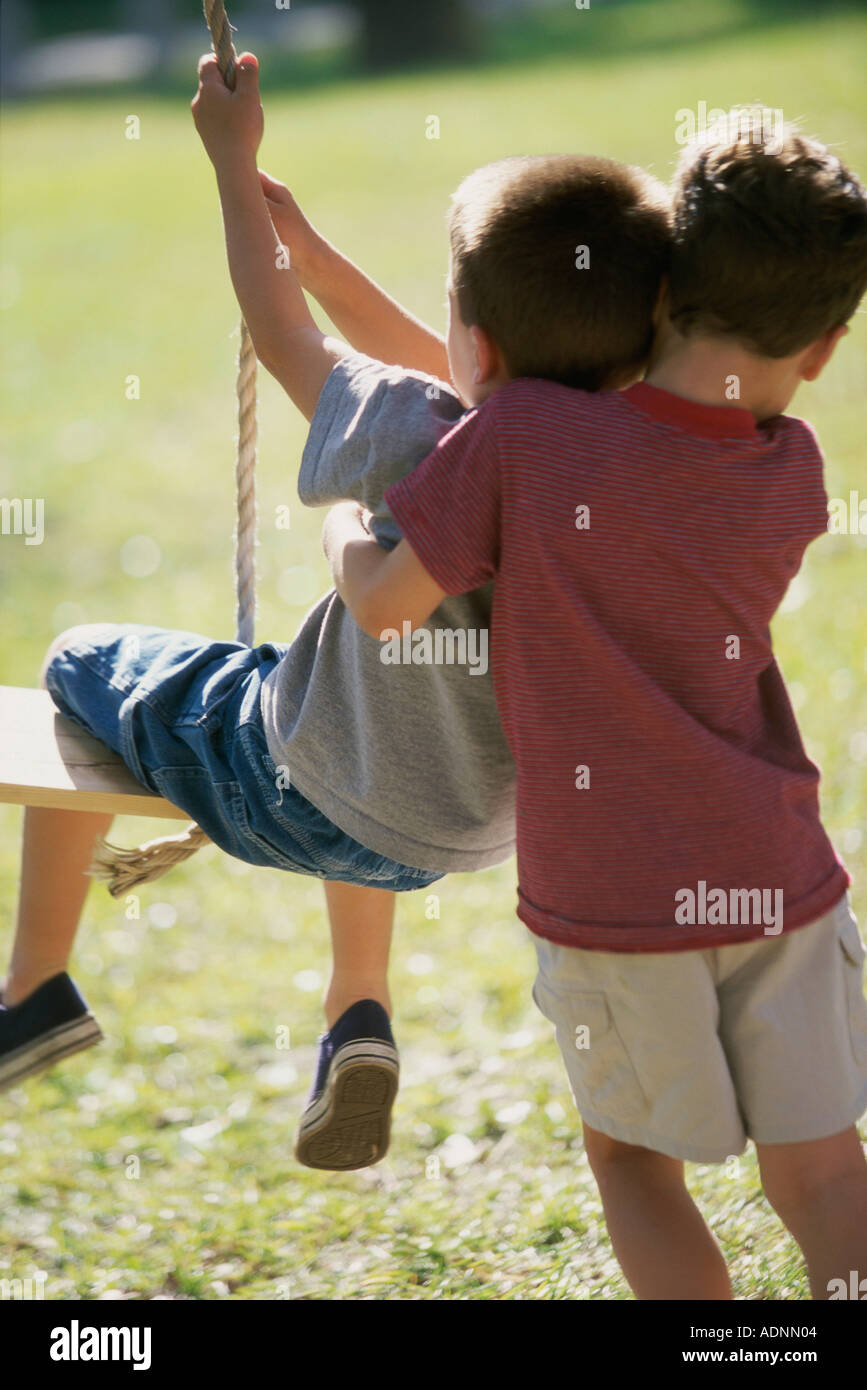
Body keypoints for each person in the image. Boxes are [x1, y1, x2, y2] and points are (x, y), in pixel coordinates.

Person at [0, 52, 671, 1173]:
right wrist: (315, 254)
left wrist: (232, 166)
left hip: (292, 786)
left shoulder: (415, 435)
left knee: (82, 661)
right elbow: (475, 378)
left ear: (480, 341)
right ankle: (357, 1006)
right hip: (460, 831)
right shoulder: (624, 455)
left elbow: (285, 339)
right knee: (357, 721)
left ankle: (31, 985)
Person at [326, 116, 867, 1297]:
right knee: (827, 1179)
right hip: (777, 868)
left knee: (632, 1162)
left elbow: (382, 602)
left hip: (609, 895)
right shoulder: (794, 471)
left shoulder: (527, 437)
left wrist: (339, 533)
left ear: (659, 282)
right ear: (825, 347)